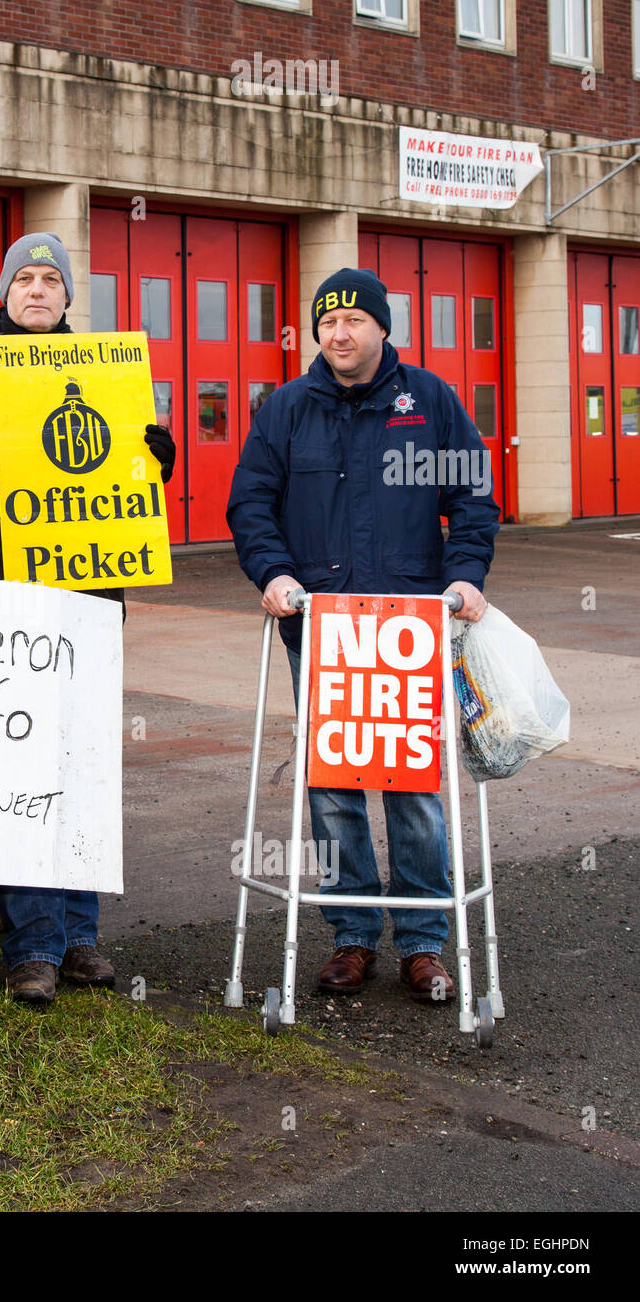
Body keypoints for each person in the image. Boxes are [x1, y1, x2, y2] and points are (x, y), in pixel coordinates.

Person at [0, 155, 176, 1005]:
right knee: (17, 771)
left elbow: (116, 485)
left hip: (85, 599)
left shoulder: (101, 373)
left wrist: (151, 460)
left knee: (82, 768)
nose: (39, 289)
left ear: (67, 296)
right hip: (0, 597)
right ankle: (34, 945)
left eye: (52, 279)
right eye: (25, 277)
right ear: (4, 292)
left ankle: (82, 935)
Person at [226, 267, 499, 1003]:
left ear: (383, 327)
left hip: (410, 627)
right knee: (334, 786)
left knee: (412, 787)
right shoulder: (288, 408)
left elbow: (473, 496)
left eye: (354, 320)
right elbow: (251, 502)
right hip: (321, 627)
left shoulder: (429, 402)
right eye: (327, 322)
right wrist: (274, 573)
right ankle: (351, 934)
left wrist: (466, 575)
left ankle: (422, 942)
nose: (339, 333)